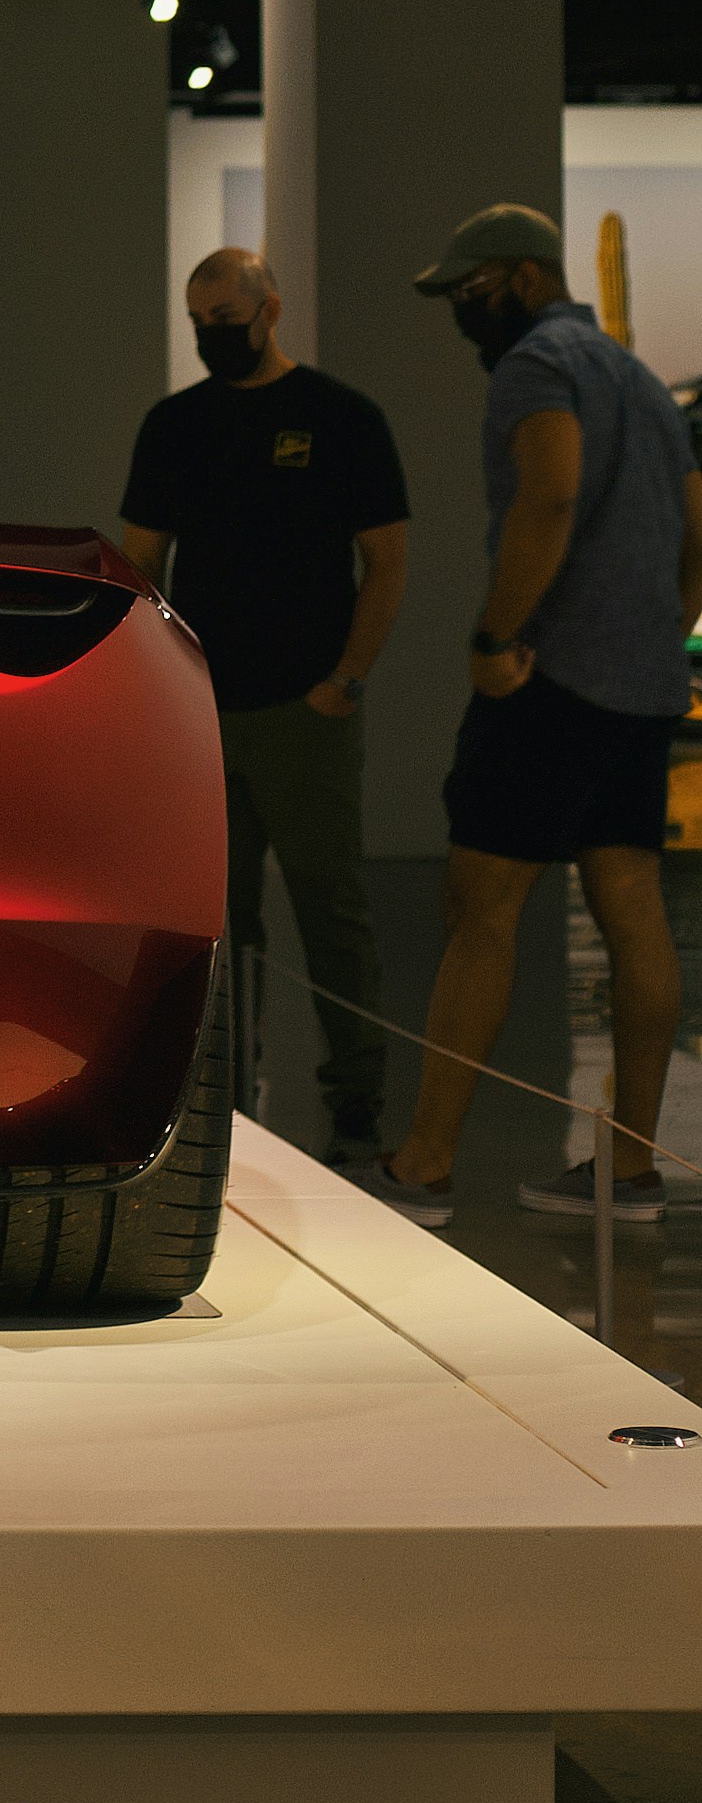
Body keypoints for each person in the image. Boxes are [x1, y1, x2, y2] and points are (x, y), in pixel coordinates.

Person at [368, 205, 702, 1227]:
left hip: (545, 680)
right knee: (630, 905)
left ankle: (421, 1165)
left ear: (515, 277)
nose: (460, 314)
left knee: (481, 910)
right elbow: (697, 524)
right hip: (639, 688)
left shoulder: (535, 366)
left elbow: (546, 496)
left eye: (466, 293)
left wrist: (493, 636)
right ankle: (630, 1170)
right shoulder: (638, 379)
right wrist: (661, 632)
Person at [120, 249, 410, 1166]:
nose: (212, 334)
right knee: (217, 916)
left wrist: (346, 678)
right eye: (198, 320)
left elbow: (387, 561)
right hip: (206, 713)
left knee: (333, 910)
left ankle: (356, 1096)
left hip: (305, 709)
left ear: (269, 310)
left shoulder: (342, 419)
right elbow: (142, 564)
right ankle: (222, 1097)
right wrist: (167, 688)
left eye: (226, 317)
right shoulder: (175, 426)